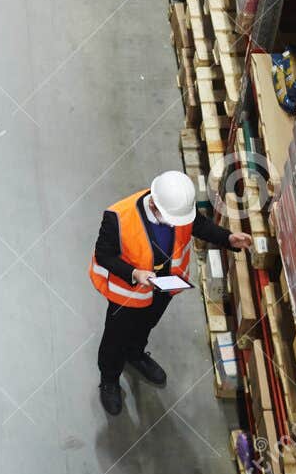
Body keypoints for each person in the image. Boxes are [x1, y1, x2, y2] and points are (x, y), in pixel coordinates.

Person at [89, 170, 251, 416]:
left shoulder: (177, 208)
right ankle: (109, 380)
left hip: (163, 287)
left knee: (146, 325)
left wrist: (228, 238)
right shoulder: (118, 217)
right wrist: (134, 273)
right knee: (115, 338)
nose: (176, 224)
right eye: (171, 220)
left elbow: (198, 224)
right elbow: (104, 255)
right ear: (154, 204)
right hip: (129, 295)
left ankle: (135, 354)